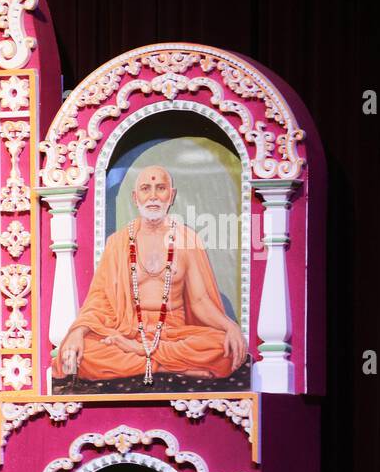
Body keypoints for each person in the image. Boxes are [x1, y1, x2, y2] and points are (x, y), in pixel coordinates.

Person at [53, 165, 247, 384]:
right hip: (127, 332)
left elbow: (200, 300)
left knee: (222, 345)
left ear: (171, 195)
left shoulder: (187, 240)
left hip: (173, 334)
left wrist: (230, 326)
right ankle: (163, 366)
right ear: (135, 197)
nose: (153, 196)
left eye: (160, 188)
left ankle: (144, 356)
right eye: (146, 188)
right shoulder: (117, 242)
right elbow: (99, 298)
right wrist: (78, 331)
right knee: (86, 353)